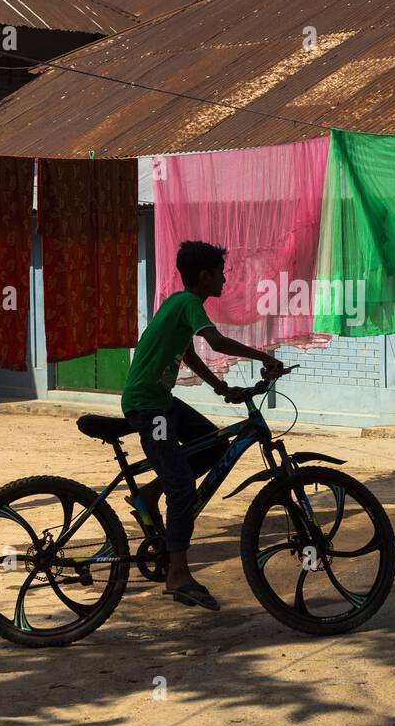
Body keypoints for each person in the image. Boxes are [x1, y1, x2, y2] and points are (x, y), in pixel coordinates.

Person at [121, 240, 285, 612]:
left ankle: (148, 494)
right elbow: (214, 341)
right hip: (149, 408)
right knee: (181, 488)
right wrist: (263, 356)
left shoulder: (178, 305)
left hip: (160, 403)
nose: (225, 279)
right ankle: (177, 574)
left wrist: (221, 388)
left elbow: (189, 353)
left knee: (213, 446)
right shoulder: (188, 303)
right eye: (221, 272)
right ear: (205, 275)